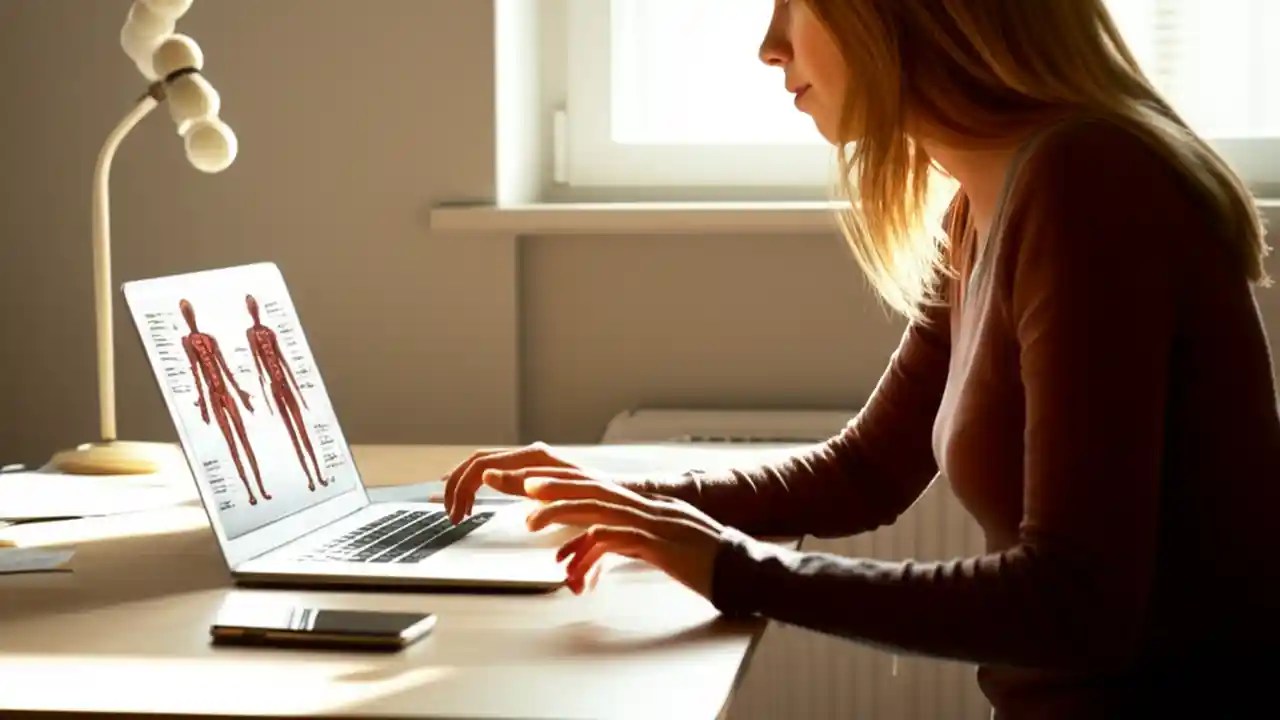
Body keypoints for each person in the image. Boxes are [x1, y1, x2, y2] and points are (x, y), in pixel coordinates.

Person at [442, 0, 1280, 716]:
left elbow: (1077, 604)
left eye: (792, 5)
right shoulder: (990, 202)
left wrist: (738, 569)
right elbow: (867, 471)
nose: (768, 47)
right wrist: (622, 501)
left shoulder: (1088, 186)